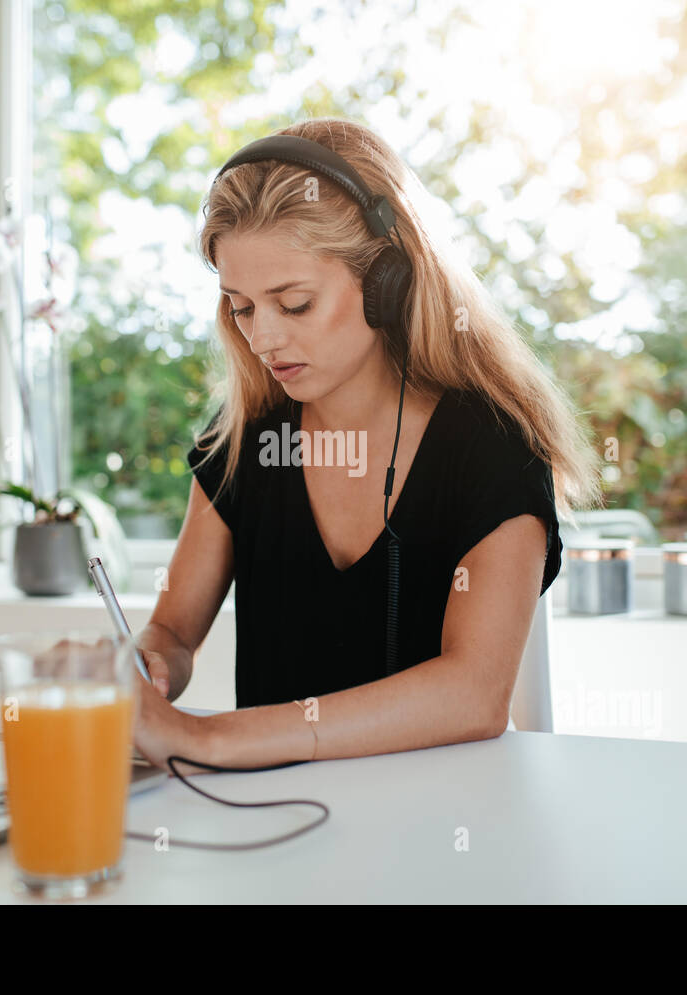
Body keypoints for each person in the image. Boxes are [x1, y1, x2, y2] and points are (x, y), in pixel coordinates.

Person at [132, 118, 599, 772]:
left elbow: (474, 693)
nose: (263, 338)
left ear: (388, 283)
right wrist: (148, 661)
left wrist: (212, 738)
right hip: (277, 831)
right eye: (241, 307)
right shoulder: (244, 444)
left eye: (293, 303)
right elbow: (174, 632)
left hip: (446, 834)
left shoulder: (491, 448)